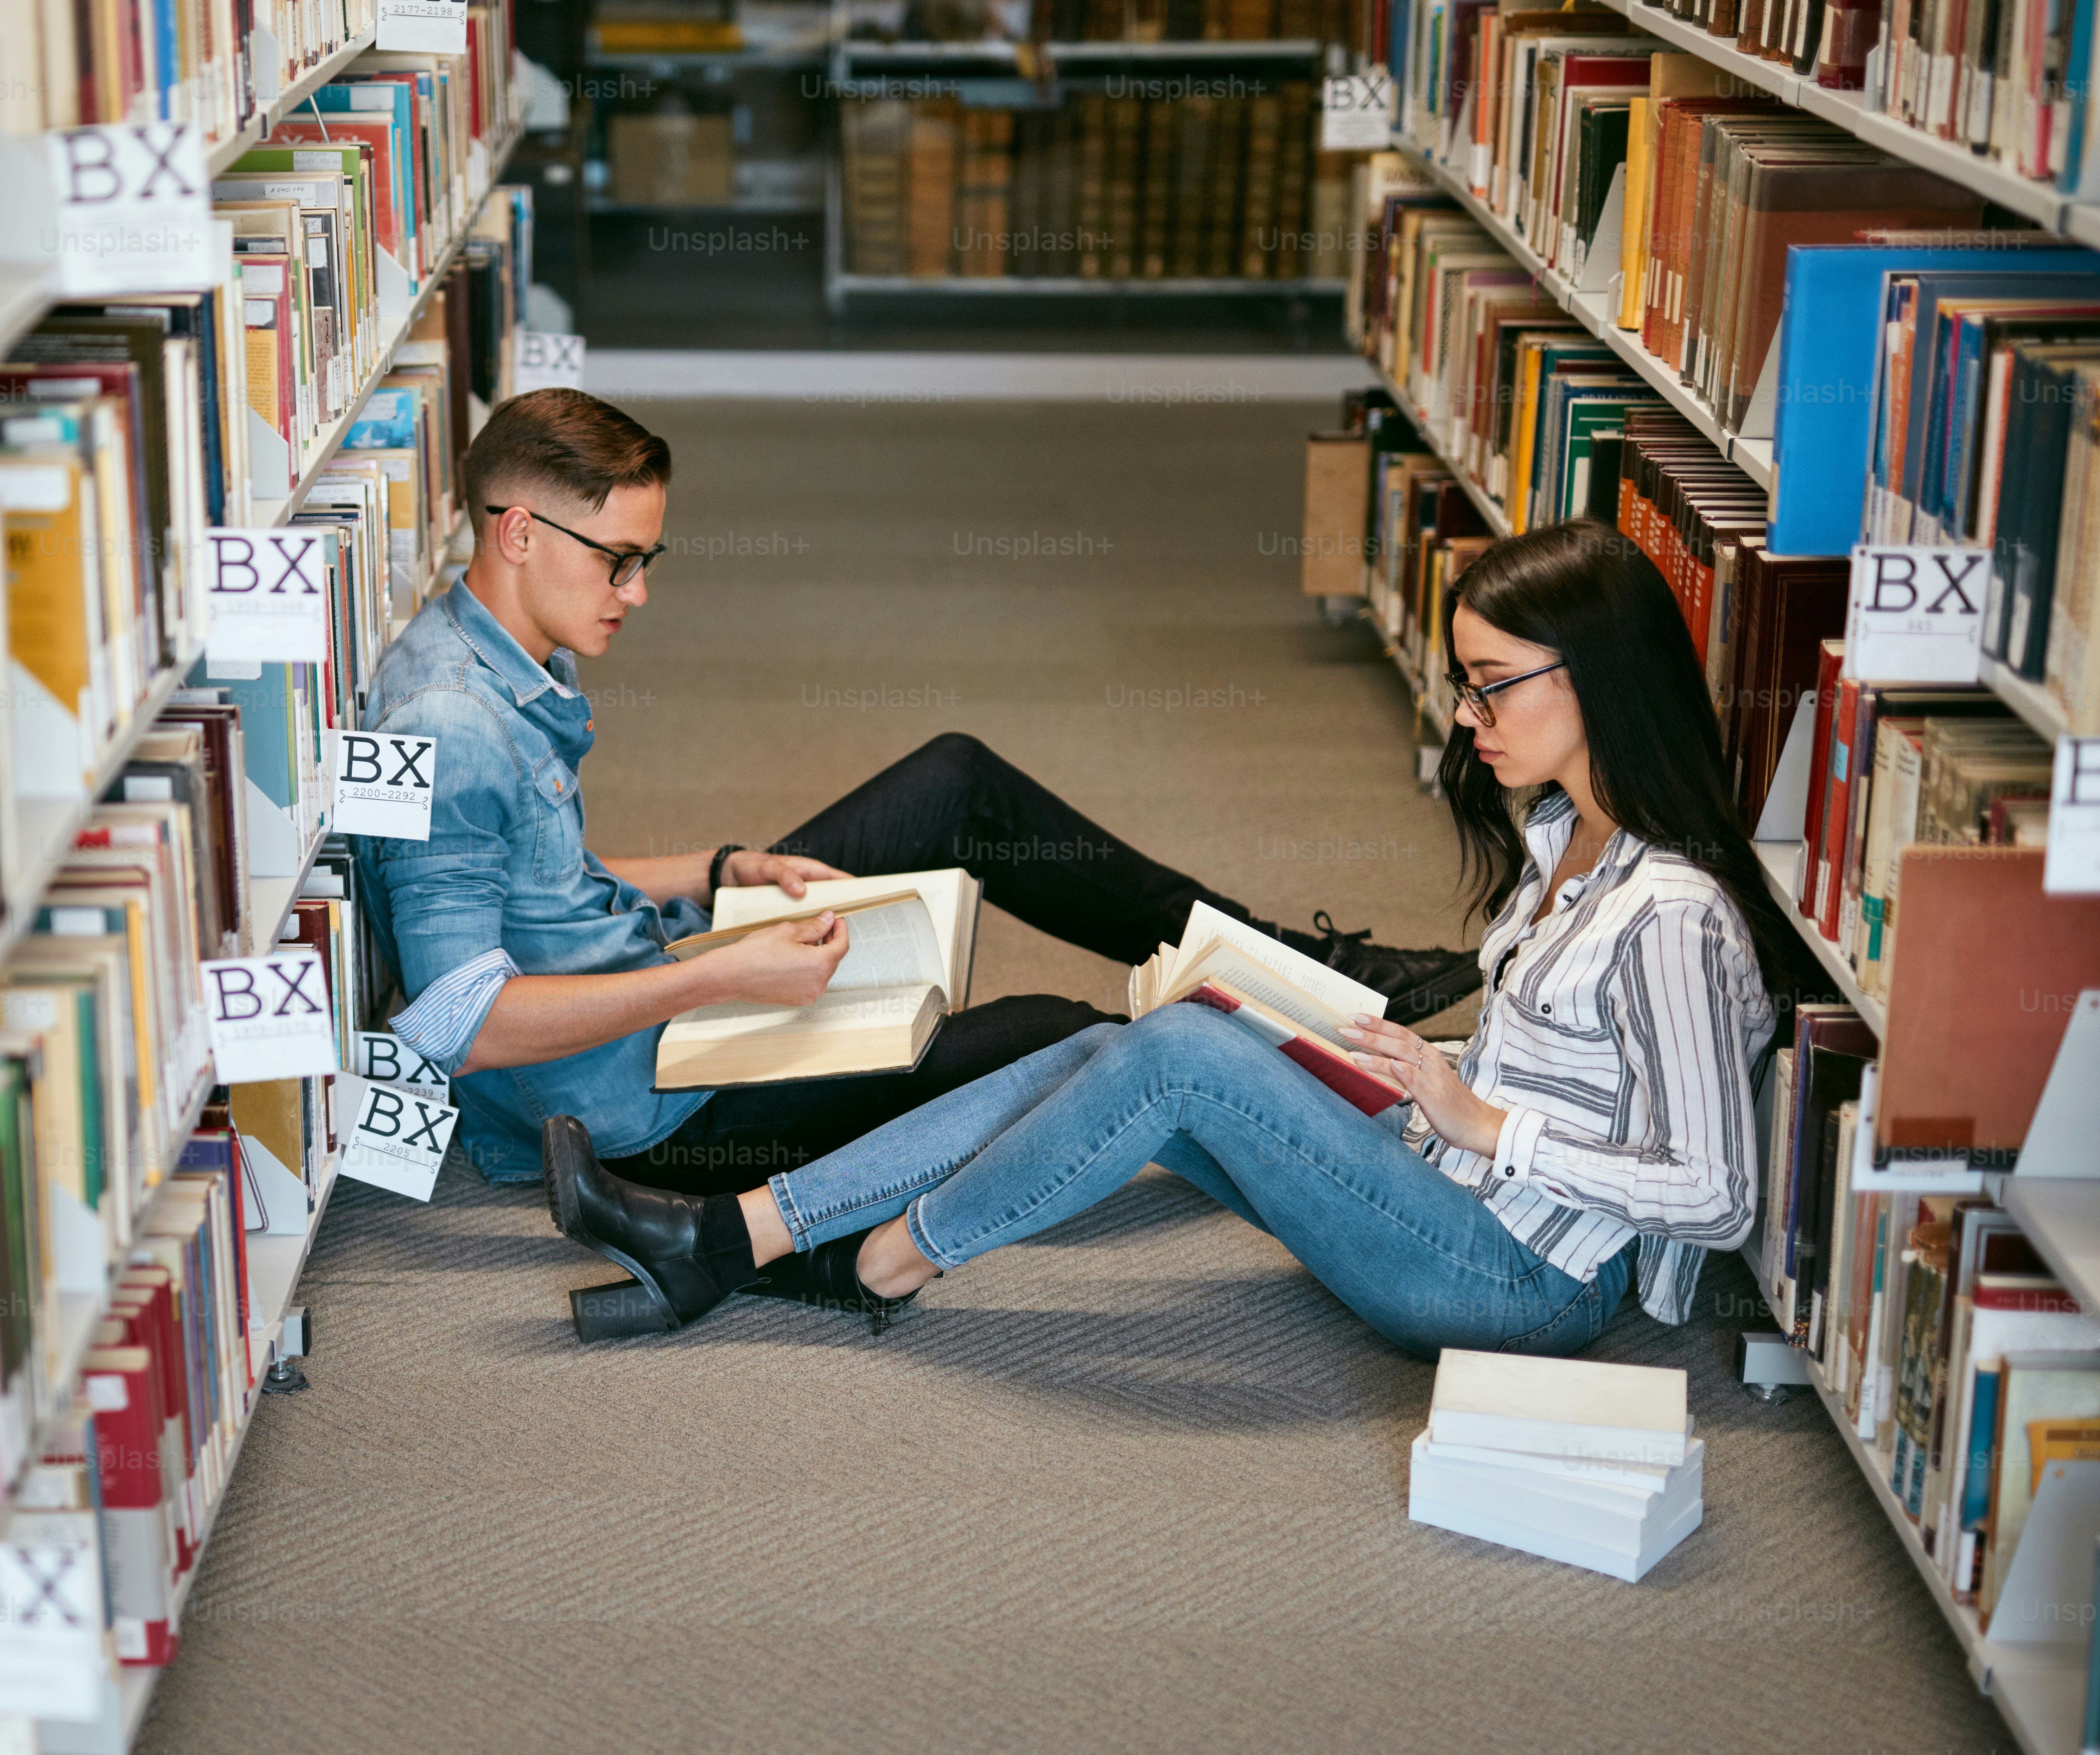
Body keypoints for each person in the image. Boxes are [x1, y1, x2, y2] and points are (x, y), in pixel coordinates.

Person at [353, 387, 1484, 1335]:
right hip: (651, 1106)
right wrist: (721, 975)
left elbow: (536, 882)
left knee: (954, 782)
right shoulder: (455, 721)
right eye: (620, 563)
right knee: (1063, 1035)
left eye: (648, 560)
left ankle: (1289, 966)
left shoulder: (494, 647)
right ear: (517, 533)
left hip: (665, 988)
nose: (638, 594)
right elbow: (462, 1023)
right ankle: (1310, 1051)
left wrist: (718, 867)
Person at [544, 516, 1811, 1353]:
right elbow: (1563, 1068)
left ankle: (877, 1263)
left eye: (1490, 683)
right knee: (1139, 1037)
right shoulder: (1563, 846)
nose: (1466, 713)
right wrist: (1426, 1079)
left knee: (1173, 1060)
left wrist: (1490, 1123)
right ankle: (747, 1237)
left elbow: (1714, 1192)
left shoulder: (1674, 916)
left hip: (1519, 1283)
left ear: (1590, 681)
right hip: (1437, 1173)